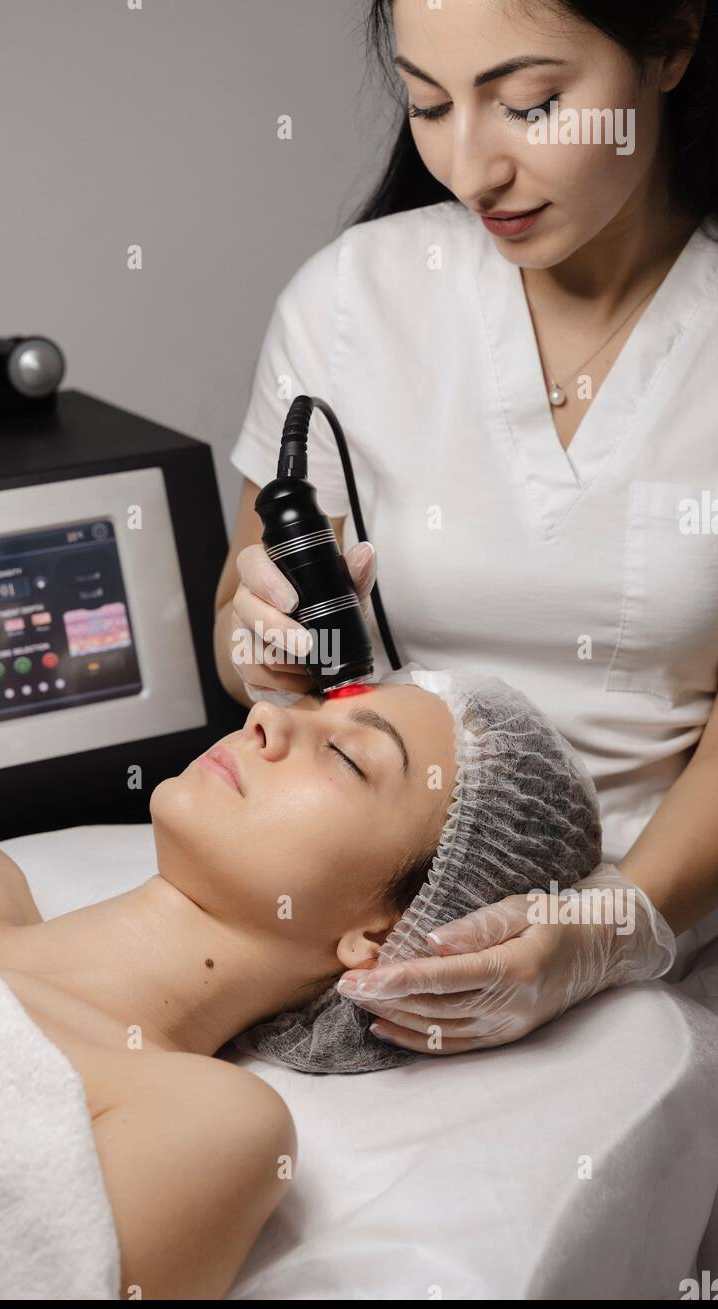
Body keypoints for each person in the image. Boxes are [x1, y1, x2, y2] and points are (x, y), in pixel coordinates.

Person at [213, 0, 718, 1054]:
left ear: (670, 43)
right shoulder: (355, 297)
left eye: (531, 103)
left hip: (663, 930)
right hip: (353, 913)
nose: (468, 168)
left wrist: (609, 927)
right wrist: (255, 642)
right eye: (428, 105)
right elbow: (246, 588)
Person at [0, 668, 610, 1294]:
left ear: (384, 941)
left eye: (344, 755)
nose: (264, 716)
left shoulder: (207, 1126)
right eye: (316, 705)